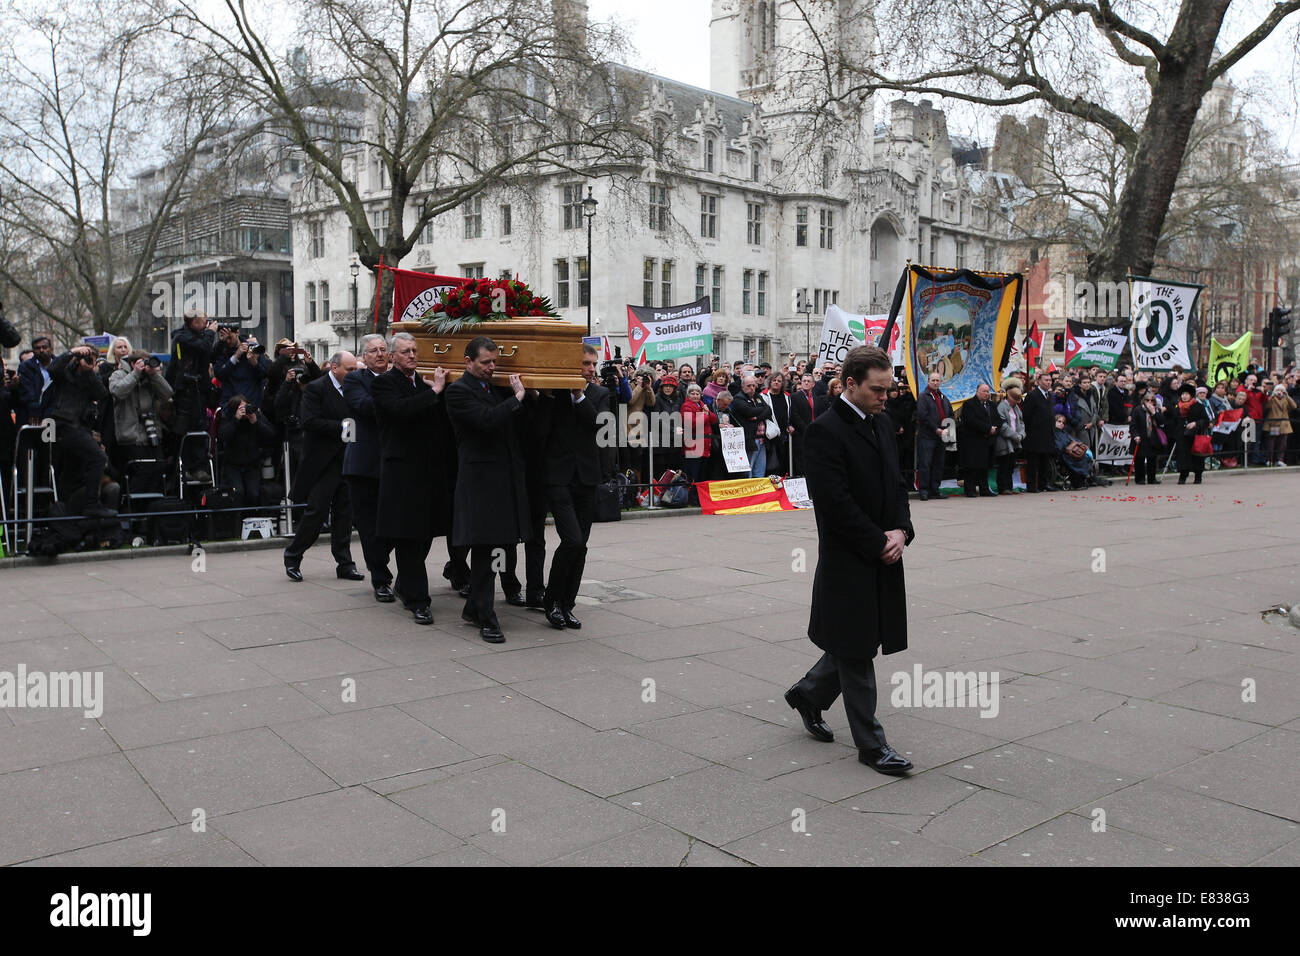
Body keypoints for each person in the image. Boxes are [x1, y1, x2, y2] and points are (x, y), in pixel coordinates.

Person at [784, 346, 915, 776]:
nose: (885, 396)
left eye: (888, 389)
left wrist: (901, 530)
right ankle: (871, 745)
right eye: (877, 390)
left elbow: (897, 483)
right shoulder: (825, 431)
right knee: (857, 648)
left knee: (856, 639)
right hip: (850, 557)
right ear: (850, 384)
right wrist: (876, 541)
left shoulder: (882, 422)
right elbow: (833, 502)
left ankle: (809, 694)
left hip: (883, 549)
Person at [443, 336, 530, 644]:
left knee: (496, 549)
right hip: (479, 484)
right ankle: (487, 618)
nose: (492, 367)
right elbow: (486, 421)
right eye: (485, 363)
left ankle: (473, 608)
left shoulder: (491, 388)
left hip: (501, 482)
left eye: (495, 362)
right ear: (468, 362)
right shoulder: (457, 392)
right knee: (485, 552)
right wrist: (517, 398)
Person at [371, 332, 452, 626]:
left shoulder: (423, 382)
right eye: (406, 352)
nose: (412, 356)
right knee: (408, 537)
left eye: (415, 351)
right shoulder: (383, 384)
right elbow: (401, 411)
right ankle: (419, 601)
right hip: (402, 471)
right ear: (393, 357)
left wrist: (438, 392)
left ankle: (406, 584)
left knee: (425, 534)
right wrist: (434, 392)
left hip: (428, 470)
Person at [538, 344, 609, 629]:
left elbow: (599, 424)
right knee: (573, 540)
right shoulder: (553, 394)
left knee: (581, 547)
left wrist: (579, 396)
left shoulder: (599, 394)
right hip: (558, 477)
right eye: (586, 364)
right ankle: (551, 602)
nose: (592, 369)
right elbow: (541, 430)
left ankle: (567, 604)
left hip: (587, 478)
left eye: (594, 364)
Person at [283, 351, 361, 583]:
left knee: (344, 515)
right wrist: (343, 426)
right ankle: (293, 556)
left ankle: (345, 564)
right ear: (335, 368)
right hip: (324, 462)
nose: (353, 374)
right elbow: (310, 421)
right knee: (316, 511)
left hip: (347, 458)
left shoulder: (355, 387)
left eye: (355, 369)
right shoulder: (317, 388)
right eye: (349, 370)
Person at [342, 334, 396, 602]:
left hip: (395, 463)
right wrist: (395, 398)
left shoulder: (399, 378)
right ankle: (380, 579)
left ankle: (384, 561)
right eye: (373, 351)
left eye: (384, 349)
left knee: (396, 524)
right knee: (369, 526)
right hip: (364, 465)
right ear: (364, 357)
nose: (379, 354)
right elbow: (364, 407)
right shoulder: (355, 380)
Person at [47, 345, 114, 517]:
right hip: (64, 425)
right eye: (85, 356)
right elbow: (52, 368)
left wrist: (89, 371)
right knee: (98, 458)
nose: (87, 360)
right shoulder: (65, 373)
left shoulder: (89, 376)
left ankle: (64, 511)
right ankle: (91, 504)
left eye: (91, 357)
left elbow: (102, 394)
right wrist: (72, 352)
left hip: (80, 427)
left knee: (72, 470)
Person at [108, 350, 173, 465]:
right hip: (130, 435)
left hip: (151, 433)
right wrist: (136, 373)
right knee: (140, 470)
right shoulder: (118, 375)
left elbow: (167, 394)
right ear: (133, 364)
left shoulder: (150, 377)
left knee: (158, 468)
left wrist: (154, 375)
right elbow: (117, 391)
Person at [217, 394, 274, 509]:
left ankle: (250, 517)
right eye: (240, 408)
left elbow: (271, 435)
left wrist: (256, 422)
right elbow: (223, 436)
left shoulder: (255, 415)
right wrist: (236, 420)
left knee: (253, 494)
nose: (244, 410)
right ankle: (237, 520)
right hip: (232, 464)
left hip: (252, 464)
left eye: (245, 407)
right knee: (238, 492)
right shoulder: (228, 418)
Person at [166, 310, 218, 434]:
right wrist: (210, 332)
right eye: (205, 321)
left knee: (201, 426)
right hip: (187, 391)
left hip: (200, 390)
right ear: (195, 322)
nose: (208, 324)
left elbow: (210, 354)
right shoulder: (182, 337)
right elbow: (203, 347)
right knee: (187, 428)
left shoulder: (201, 337)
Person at [915, 372, 952, 500]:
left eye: (938, 380)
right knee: (925, 463)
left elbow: (950, 414)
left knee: (938, 464)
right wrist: (936, 429)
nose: (935, 382)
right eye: (933, 380)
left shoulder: (943, 397)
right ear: (928, 381)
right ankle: (924, 490)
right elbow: (923, 416)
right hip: (927, 436)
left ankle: (934, 490)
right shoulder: (923, 397)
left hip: (941, 436)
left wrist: (947, 428)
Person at [957, 383, 998, 497]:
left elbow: (997, 419)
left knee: (984, 467)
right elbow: (971, 420)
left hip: (987, 441)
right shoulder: (969, 404)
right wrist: (987, 428)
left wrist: (995, 428)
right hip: (973, 440)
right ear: (977, 392)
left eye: (988, 391)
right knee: (971, 467)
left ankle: (984, 489)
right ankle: (969, 490)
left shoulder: (992, 405)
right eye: (984, 391)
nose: (986, 394)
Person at [730, 374, 773, 478]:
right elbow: (749, 411)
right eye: (749, 386)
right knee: (748, 470)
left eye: (753, 386)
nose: (752, 388)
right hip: (749, 439)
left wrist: (757, 417)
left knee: (760, 470)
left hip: (762, 439)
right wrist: (761, 409)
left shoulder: (757, 397)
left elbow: (769, 410)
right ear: (742, 386)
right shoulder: (738, 399)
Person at [679, 383, 715, 502]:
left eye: (697, 393)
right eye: (692, 393)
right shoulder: (686, 406)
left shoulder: (702, 405)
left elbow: (714, 419)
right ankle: (692, 498)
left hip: (704, 446)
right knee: (693, 474)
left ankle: (699, 498)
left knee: (701, 475)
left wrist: (707, 413)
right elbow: (692, 423)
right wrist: (705, 415)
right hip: (693, 446)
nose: (695, 396)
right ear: (688, 395)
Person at [1022, 371, 1056, 492]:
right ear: (1038, 382)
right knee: (1033, 462)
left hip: (1047, 434)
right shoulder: (1032, 395)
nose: (1048, 382)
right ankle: (1031, 485)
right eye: (1045, 380)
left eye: (1050, 380)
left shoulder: (1050, 395)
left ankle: (1043, 483)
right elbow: (1026, 415)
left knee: (1045, 462)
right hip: (1034, 435)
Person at [1129, 391, 1168, 485]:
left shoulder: (1156, 409)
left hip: (1153, 438)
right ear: (1143, 401)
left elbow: (1161, 421)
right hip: (1141, 437)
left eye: (1152, 400)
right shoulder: (1138, 410)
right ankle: (1140, 479)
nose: (1150, 402)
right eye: (1147, 400)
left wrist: (1154, 412)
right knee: (1140, 459)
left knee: (1152, 459)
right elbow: (1133, 425)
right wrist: (1136, 435)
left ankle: (1152, 478)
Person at [708, 390, 749, 479]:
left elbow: (737, 423)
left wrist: (732, 426)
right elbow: (707, 424)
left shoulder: (729, 410)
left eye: (728, 405)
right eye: (725, 404)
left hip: (729, 447)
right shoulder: (709, 408)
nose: (726, 407)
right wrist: (718, 425)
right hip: (715, 445)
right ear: (718, 400)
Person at [995, 377, 1025, 494]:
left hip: (1015, 440)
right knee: (1003, 465)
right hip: (1004, 441)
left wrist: (1021, 434)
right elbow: (1002, 425)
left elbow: (1021, 422)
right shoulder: (1002, 406)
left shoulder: (1016, 408)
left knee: (1011, 466)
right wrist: (1015, 436)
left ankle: (1009, 486)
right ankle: (1003, 487)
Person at [1174, 385, 1209, 484]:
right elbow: (1173, 420)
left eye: (1186, 394)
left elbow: (1205, 420)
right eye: (1183, 394)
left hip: (1195, 435)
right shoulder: (1178, 406)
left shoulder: (1198, 406)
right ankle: (1183, 476)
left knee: (1197, 456)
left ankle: (1198, 476)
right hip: (1182, 435)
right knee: (1182, 456)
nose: (1184, 396)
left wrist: (1196, 423)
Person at [18, 335, 56, 424]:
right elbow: (28, 392)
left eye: (44, 347)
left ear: (51, 349)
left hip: (56, 413)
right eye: (37, 348)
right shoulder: (25, 367)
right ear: (34, 351)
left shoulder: (60, 365)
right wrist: (35, 412)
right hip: (35, 415)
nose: (41, 350)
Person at [762, 371, 792, 476]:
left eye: (779, 381)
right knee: (773, 464)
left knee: (784, 462)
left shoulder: (787, 396)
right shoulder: (763, 396)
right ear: (770, 382)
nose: (776, 382)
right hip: (771, 435)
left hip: (785, 434)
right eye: (774, 380)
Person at [789, 373, 818, 477]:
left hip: (815, 435)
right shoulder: (795, 397)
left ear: (813, 384)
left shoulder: (816, 397)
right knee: (801, 464)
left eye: (808, 381)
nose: (805, 383)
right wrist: (807, 429)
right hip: (801, 434)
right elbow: (795, 415)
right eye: (804, 381)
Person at [1263, 383, 1296, 467]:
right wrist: (1272, 396)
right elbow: (1266, 406)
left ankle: (1280, 460)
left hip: (1284, 425)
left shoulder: (1286, 399)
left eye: (1281, 390)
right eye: (1278, 390)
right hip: (1274, 424)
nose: (1279, 392)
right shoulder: (1272, 399)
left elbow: (1294, 406)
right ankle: (1269, 460)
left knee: (1282, 444)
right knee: (1271, 443)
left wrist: (1287, 396)